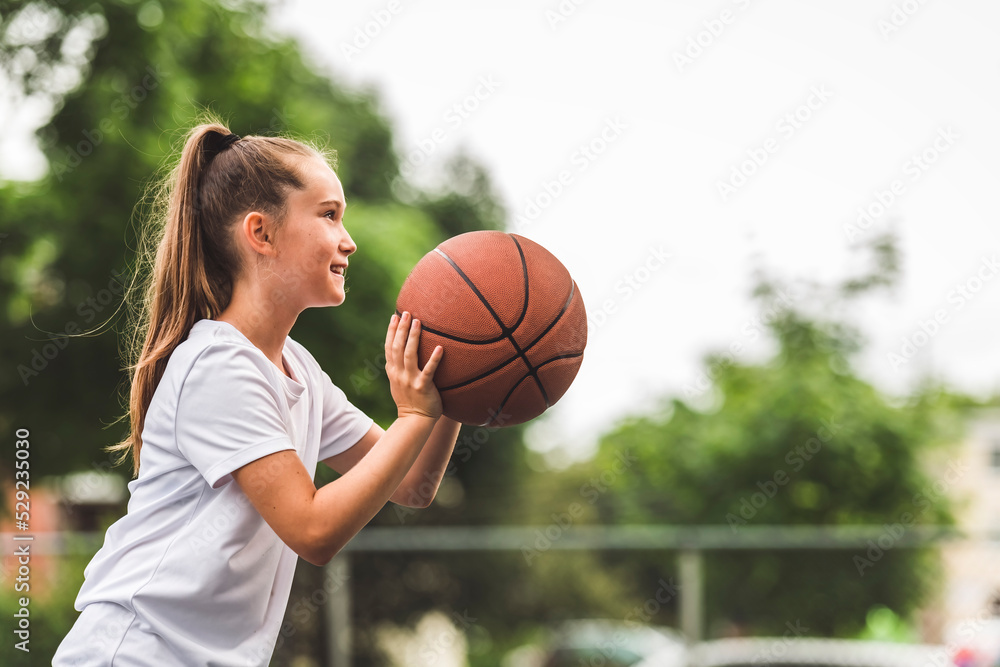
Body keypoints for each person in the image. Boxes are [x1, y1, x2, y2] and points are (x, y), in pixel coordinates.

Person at [52, 122, 461, 665]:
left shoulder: (300, 370)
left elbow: (411, 482)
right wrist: (411, 415)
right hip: (136, 652)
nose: (349, 240)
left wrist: (458, 386)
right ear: (261, 234)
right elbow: (313, 530)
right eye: (328, 214)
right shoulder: (219, 364)